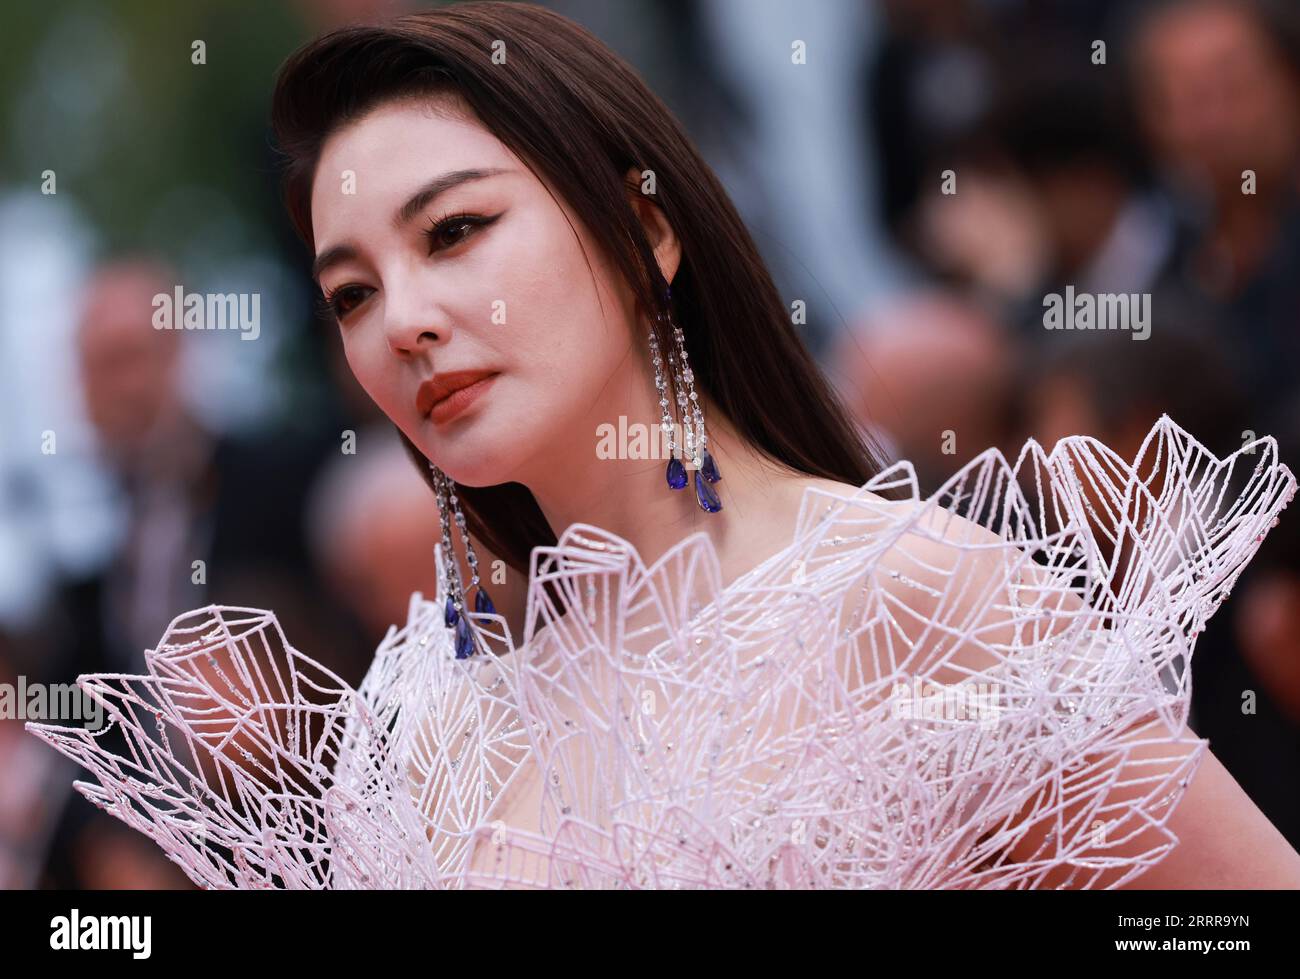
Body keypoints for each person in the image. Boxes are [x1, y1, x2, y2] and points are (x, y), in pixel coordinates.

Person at [27, 2, 1300, 889]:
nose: (403, 319)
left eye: (456, 231)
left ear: (646, 232)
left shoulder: (905, 590)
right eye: (351, 293)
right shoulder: (429, 725)